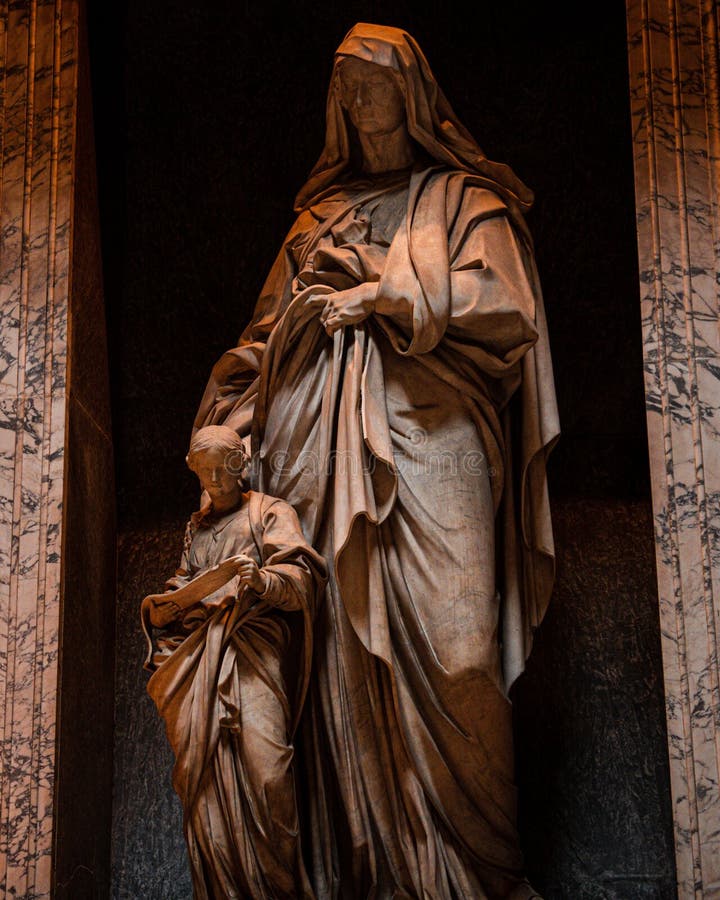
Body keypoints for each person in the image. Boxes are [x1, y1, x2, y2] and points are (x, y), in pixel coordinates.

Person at [194, 23, 559, 900]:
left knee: (463, 654)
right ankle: (368, 874)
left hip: (438, 433)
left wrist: (383, 293)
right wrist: (229, 429)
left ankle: (481, 876)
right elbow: (257, 345)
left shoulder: (465, 200)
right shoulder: (314, 222)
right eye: (344, 87)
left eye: (373, 82)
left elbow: (506, 304)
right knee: (333, 670)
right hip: (316, 441)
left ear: (412, 93)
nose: (358, 100)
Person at [141, 425, 326, 900]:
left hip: (253, 653)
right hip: (199, 661)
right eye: (206, 475)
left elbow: (303, 579)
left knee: (269, 773)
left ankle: (281, 891)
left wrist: (262, 581)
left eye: (224, 471)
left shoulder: (269, 512)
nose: (216, 482)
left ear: (240, 465)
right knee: (201, 785)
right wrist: (171, 600)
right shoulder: (196, 527)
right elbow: (184, 581)